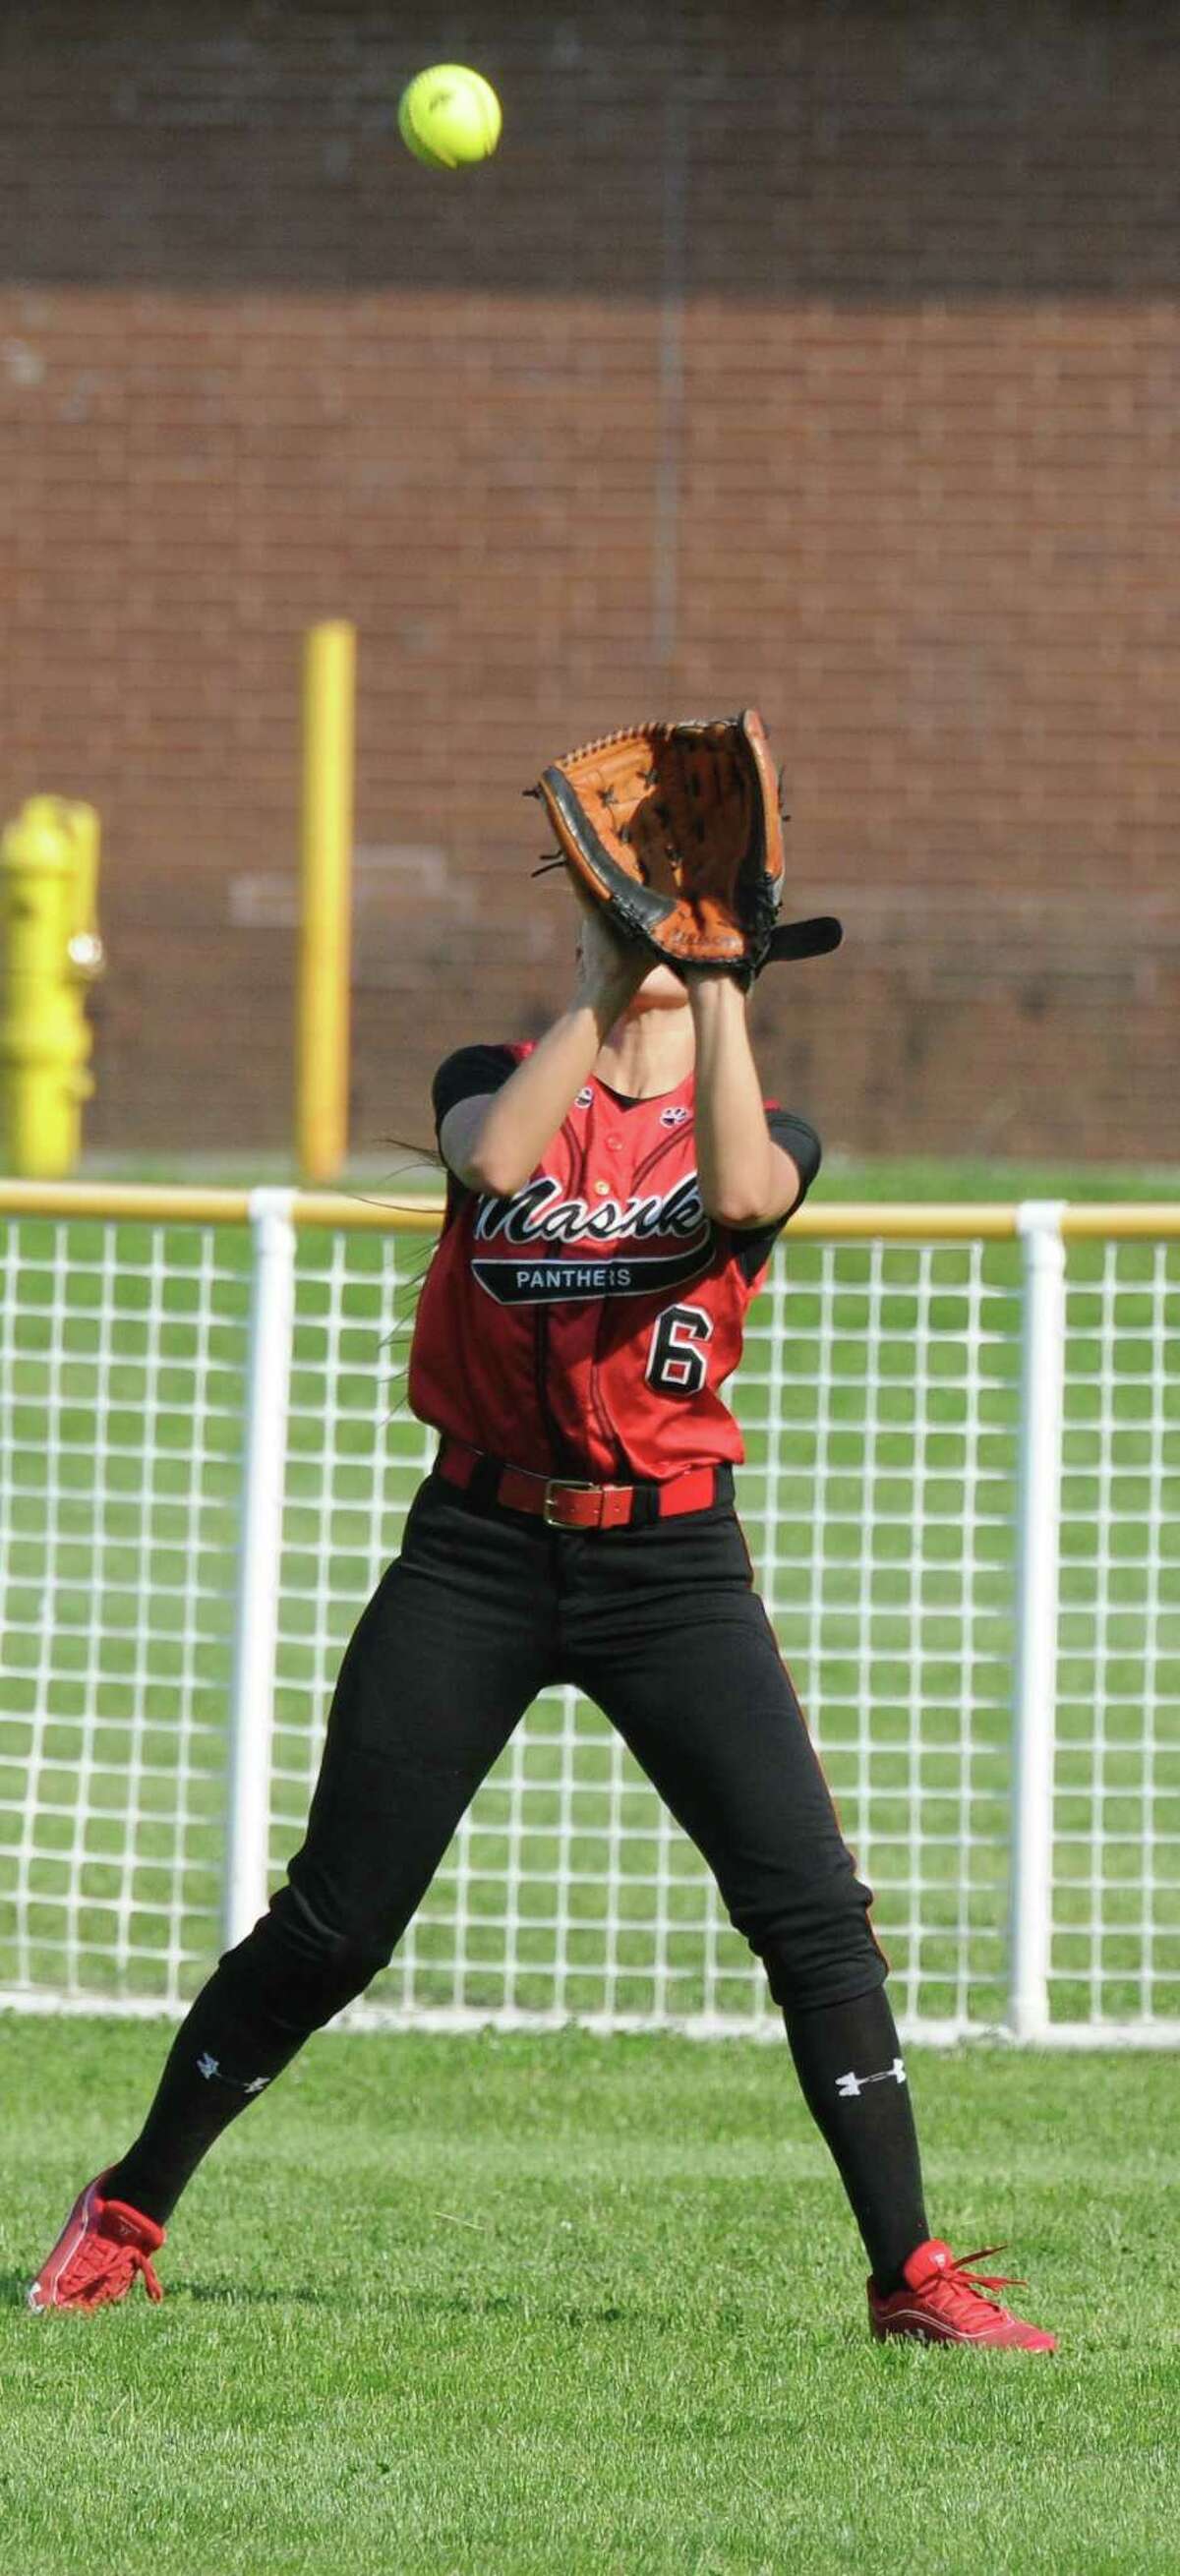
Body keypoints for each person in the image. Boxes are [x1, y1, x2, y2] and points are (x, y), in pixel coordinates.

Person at [29, 895, 1055, 2349]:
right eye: (637, 916)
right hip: (479, 1550)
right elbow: (499, 1161)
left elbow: (744, 1195)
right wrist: (607, 973)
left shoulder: (769, 1130)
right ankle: (126, 2208)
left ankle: (911, 2276)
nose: (664, 946)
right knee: (336, 1922)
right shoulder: (486, 1080)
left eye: (698, 930)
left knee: (813, 1918)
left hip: (670, 1567)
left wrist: (720, 984)